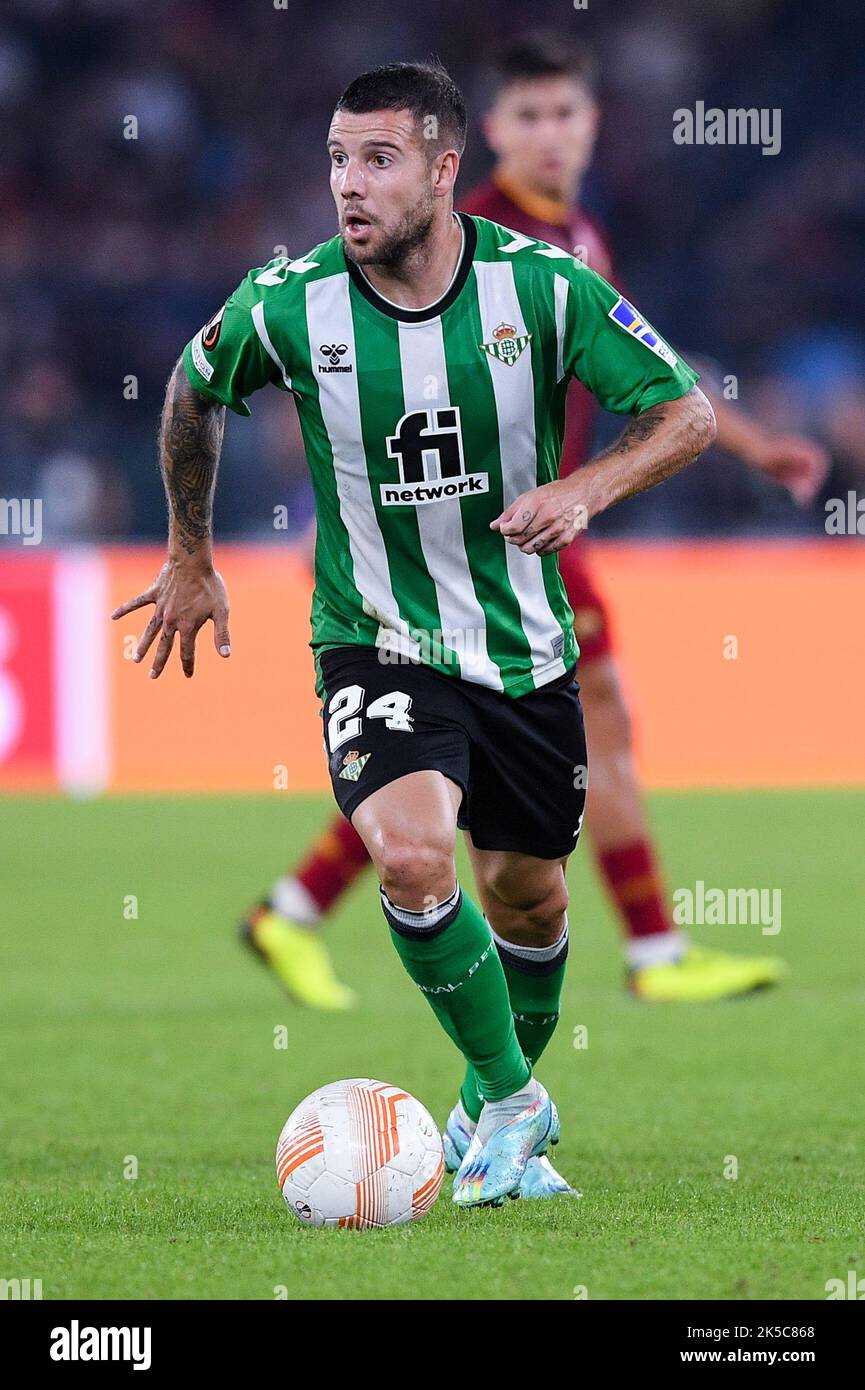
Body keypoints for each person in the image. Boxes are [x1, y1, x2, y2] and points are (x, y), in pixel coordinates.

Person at [114, 61, 717, 1204]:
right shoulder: (288, 302)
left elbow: (685, 412)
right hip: (374, 636)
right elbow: (193, 390)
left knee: (528, 895)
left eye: (379, 159)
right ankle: (514, 1095)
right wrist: (189, 550)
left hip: (524, 647)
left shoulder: (544, 288)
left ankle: (494, 1118)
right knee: (409, 850)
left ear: (444, 171)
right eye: (338, 159)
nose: (350, 184)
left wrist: (584, 488)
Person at [242, 32, 828, 1011]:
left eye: (567, 114)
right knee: (554, 737)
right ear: (485, 140)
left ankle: (297, 907)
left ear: (593, 124)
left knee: (477, 751)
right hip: (493, 542)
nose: (551, 135)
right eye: (529, 117)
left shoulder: (576, 240)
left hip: (547, 529)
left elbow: (650, 367)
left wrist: (755, 441)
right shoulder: (454, 240)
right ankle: (648, 949)